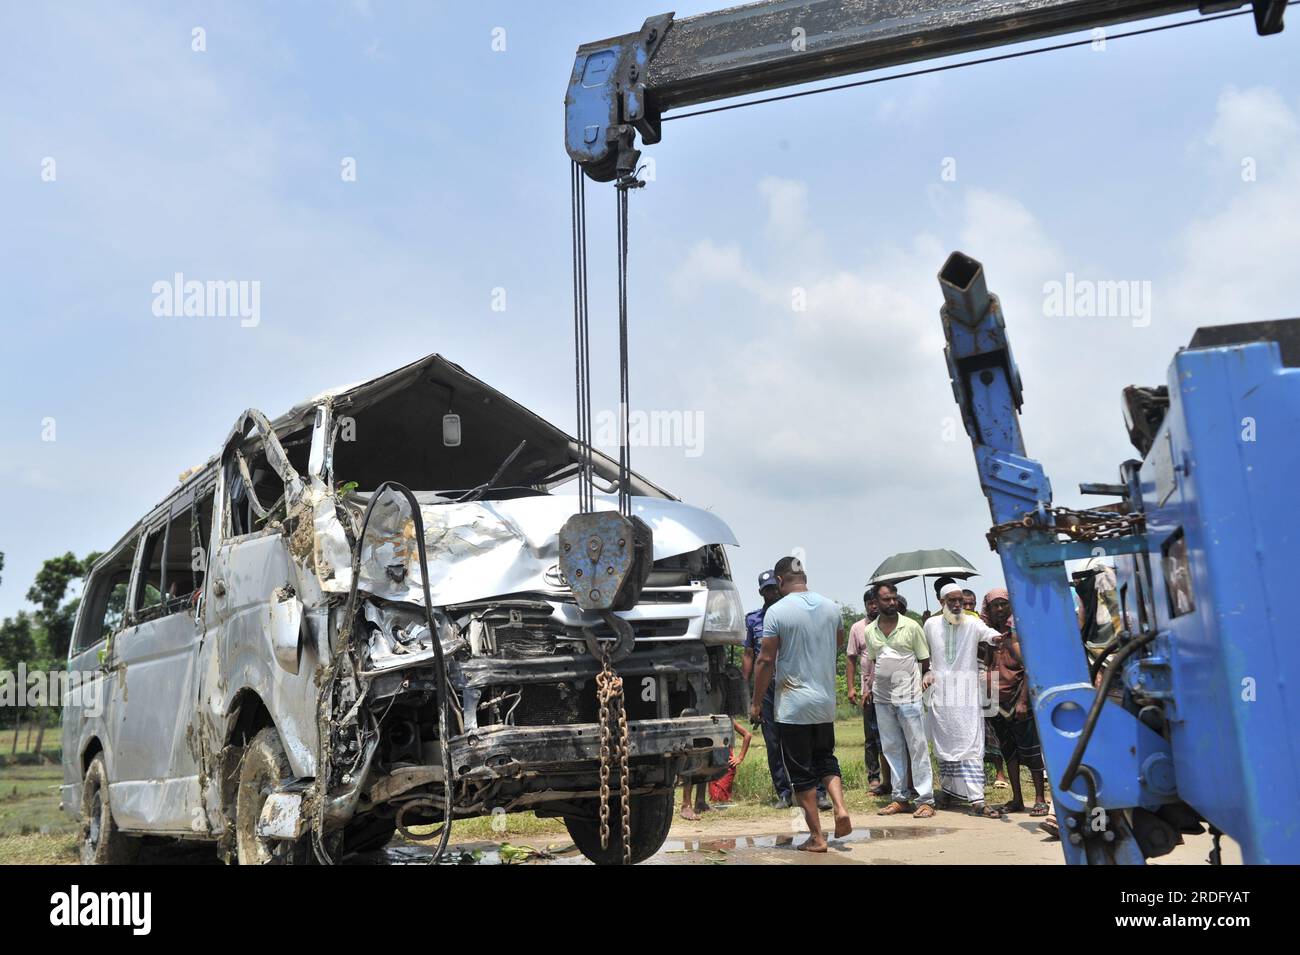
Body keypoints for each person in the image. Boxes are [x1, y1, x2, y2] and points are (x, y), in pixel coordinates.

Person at [749, 556, 852, 852]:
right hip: (824, 702)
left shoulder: (777, 612)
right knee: (826, 758)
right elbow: (837, 644)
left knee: (801, 772)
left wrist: (756, 703)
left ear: (780, 581)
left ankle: (818, 836)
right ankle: (841, 807)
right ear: (804, 577)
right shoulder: (832, 609)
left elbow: (765, 660)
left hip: (793, 704)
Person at [924, 583, 1005, 817]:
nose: (957, 604)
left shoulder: (971, 622)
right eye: (952, 600)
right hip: (941, 696)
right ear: (942, 603)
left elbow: (988, 633)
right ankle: (949, 792)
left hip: (967, 696)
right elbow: (925, 655)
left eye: (960, 599)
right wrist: (927, 674)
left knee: (971, 744)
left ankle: (977, 799)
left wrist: (998, 638)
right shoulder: (930, 625)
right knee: (945, 745)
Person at [865, 582, 936, 818]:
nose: (892, 602)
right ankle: (900, 798)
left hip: (909, 697)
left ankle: (925, 799)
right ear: (875, 603)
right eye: (886, 599)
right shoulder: (870, 631)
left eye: (894, 598)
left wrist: (926, 676)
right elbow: (877, 662)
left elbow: (925, 660)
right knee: (891, 748)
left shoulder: (912, 626)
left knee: (917, 747)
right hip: (883, 699)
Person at [982, 589, 1051, 817]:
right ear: (989, 609)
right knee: (1007, 750)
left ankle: (1040, 799)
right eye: (995, 606)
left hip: (1019, 697)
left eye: (1003, 604)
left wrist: (1023, 701)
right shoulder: (988, 635)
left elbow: (1030, 668)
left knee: (1031, 750)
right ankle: (1017, 798)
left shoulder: (1019, 631)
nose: (999, 609)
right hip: (996, 700)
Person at [743, 570, 795, 808]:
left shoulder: (791, 616)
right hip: (766, 687)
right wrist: (748, 690)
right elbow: (749, 654)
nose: (771, 593)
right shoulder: (753, 619)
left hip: (791, 684)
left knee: (797, 738)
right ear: (761, 592)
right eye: (767, 590)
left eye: (774, 588)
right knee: (773, 742)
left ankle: (810, 789)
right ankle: (783, 792)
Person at [846, 588, 889, 795]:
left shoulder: (888, 624)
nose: (873, 606)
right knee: (871, 737)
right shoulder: (857, 628)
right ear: (865, 605)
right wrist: (852, 687)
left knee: (890, 736)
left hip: (889, 690)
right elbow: (851, 658)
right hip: (867, 691)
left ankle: (893, 778)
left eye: (875, 602)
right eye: (869, 603)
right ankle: (874, 777)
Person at [680, 718, 752, 817]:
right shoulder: (704, 717)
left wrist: (740, 757)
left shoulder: (726, 719)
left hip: (719, 761)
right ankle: (686, 804)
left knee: (703, 764)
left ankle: (700, 802)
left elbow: (747, 735)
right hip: (706, 748)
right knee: (694, 760)